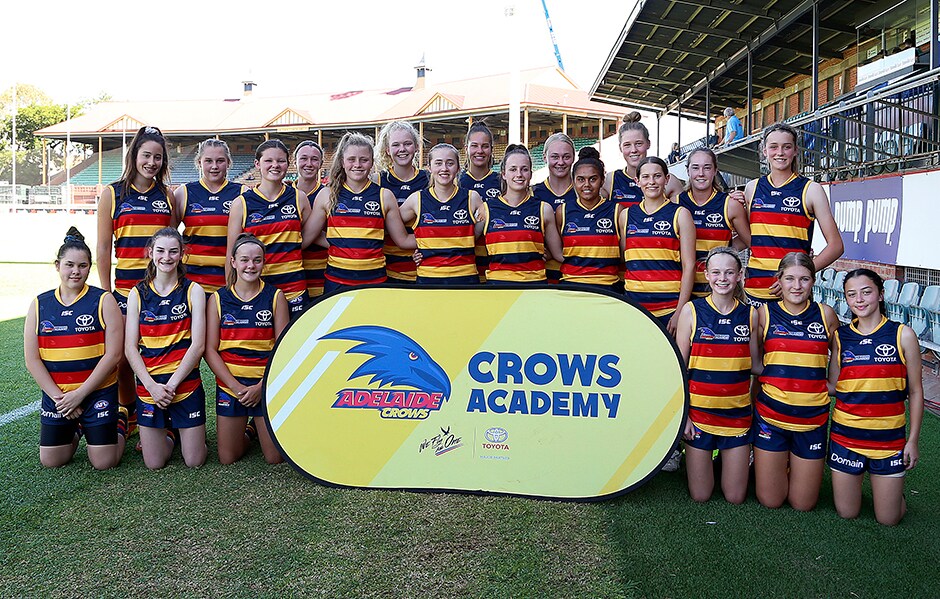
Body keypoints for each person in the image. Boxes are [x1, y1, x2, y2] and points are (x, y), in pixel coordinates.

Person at [828, 269, 923, 525]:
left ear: (880, 294)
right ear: (846, 299)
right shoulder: (840, 337)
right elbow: (834, 385)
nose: (859, 299)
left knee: (888, 519)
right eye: (852, 294)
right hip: (845, 439)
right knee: (848, 513)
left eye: (866, 292)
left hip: (889, 442)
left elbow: (915, 392)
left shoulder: (902, 334)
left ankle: (892, 495)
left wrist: (912, 441)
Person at [25, 228, 126, 469]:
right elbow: (32, 360)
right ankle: (80, 427)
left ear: (89, 268)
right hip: (58, 396)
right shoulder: (40, 303)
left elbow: (114, 355)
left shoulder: (103, 300)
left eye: (83, 266)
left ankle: (120, 418)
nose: (75, 271)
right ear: (57, 265)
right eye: (69, 265)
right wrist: (61, 399)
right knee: (52, 461)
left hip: (97, 392)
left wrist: (80, 395)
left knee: (104, 463)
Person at [96, 125, 173, 435]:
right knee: (123, 358)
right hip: (126, 290)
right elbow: (103, 247)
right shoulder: (112, 193)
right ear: (134, 156)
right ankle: (128, 413)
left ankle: (163, 413)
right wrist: (106, 294)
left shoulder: (167, 195)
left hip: (160, 291)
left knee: (160, 352)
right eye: (146, 155)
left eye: (157, 157)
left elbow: (172, 239)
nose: (151, 162)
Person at [754, 252, 838, 510]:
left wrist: (831, 385)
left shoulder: (826, 315)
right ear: (779, 280)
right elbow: (756, 363)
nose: (797, 286)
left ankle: (793, 464)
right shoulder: (764, 314)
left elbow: (838, 351)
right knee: (771, 501)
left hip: (812, 420)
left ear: (814, 281)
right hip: (771, 417)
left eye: (804, 279)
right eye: (789, 278)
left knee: (803, 504)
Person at [676, 247, 759, 503]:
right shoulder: (691, 311)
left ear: (739, 275)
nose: (722, 278)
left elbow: (755, 367)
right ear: (707, 275)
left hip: (737, 416)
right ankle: (704, 459)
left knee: (735, 497)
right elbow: (680, 370)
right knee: (700, 496)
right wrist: (684, 416)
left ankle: (731, 458)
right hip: (699, 415)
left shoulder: (751, 314)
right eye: (716, 272)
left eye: (729, 272)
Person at [124, 228, 207, 469]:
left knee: (194, 461)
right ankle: (171, 433)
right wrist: (152, 386)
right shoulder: (137, 293)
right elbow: (130, 348)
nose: (166, 257)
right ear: (150, 253)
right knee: (154, 464)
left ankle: (181, 430)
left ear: (182, 254)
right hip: (150, 387)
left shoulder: (194, 290)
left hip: (184, 385)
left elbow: (198, 344)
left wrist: (171, 386)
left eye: (173, 251)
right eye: (160, 251)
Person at [205, 233, 288, 465]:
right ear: (233, 262)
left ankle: (256, 425)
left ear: (264, 261)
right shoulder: (218, 299)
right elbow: (210, 350)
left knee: (274, 458)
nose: (251, 266)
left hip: (264, 386)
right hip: (233, 388)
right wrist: (237, 387)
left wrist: (261, 387)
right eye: (244, 260)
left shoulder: (275, 297)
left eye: (257, 260)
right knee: (227, 458)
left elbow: (283, 348)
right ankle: (250, 430)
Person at [744, 123, 843, 306]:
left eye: (786, 147)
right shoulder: (752, 188)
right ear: (764, 151)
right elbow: (748, 238)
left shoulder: (811, 190)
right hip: (754, 291)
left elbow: (836, 246)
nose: (779, 152)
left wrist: (797, 276)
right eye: (773, 147)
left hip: (793, 294)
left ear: (795, 150)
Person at [306, 132, 416, 293]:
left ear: (371, 163)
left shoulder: (384, 196)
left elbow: (403, 240)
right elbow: (308, 236)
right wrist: (340, 242)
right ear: (342, 162)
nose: (357, 164)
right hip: (336, 283)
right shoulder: (327, 195)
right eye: (351, 159)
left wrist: (447, 240)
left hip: (375, 283)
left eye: (364, 160)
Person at [226, 139, 309, 317]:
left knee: (295, 344)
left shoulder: (299, 198)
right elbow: (231, 253)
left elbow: (312, 236)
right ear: (257, 164)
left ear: (288, 164)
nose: (275, 165)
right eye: (269, 161)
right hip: (257, 291)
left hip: (294, 289)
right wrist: (230, 291)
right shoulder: (241, 203)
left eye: (281, 161)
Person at [619, 156, 696, 334]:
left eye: (657, 176)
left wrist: (679, 312)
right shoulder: (626, 216)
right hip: (635, 307)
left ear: (667, 179)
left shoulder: (680, 214)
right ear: (637, 181)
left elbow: (689, 266)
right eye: (645, 177)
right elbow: (627, 258)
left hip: (669, 308)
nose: (651, 182)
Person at [399, 143, 484, 285]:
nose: (444, 168)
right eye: (438, 163)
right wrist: (421, 244)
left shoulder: (472, 198)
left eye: (450, 163)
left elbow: (477, 235)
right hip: (428, 281)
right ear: (429, 168)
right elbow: (388, 225)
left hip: (466, 281)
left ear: (458, 168)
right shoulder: (416, 199)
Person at [480, 144, 563, 283]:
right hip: (498, 286)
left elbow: (558, 254)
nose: (519, 174)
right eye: (513, 169)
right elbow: (465, 245)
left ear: (530, 174)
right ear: (504, 174)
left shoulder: (544, 209)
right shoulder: (486, 209)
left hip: (534, 286)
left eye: (524, 169)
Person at [173, 139, 246, 295]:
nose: (214, 166)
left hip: (229, 282)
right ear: (199, 162)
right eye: (208, 161)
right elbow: (169, 237)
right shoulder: (184, 193)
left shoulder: (242, 193)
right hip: (191, 284)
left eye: (220, 161)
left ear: (228, 163)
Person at [677, 148, 751, 298]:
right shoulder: (675, 203)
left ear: (715, 170)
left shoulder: (730, 204)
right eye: (695, 167)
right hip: (681, 290)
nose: (701, 173)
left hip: (719, 290)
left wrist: (728, 249)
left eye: (707, 167)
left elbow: (750, 240)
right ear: (688, 170)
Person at [555, 147, 620, 291]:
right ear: (573, 181)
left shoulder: (617, 210)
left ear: (602, 180)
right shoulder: (563, 211)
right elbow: (558, 251)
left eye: (593, 179)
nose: (586, 185)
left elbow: (624, 253)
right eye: (580, 179)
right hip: (571, 285)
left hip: (608, 287)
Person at [377, 121, 429, 283]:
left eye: (407, 144)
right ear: (387, 150)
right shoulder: (377, 180)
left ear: (416, 147)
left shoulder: (429, 179)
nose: (402, 149)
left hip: (424, 266)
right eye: (396, 145)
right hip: (388, 270)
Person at [603, 112, 683, 208]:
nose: (633, 150)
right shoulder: (609, 181)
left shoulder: (669, 181)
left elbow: (680, 218)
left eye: (639, 143)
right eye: (627, 145)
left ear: (648, 144)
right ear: (620, 148)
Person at [460, 121, 501, 282]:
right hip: (464, 262)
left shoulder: (502, 181)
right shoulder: (456, 182)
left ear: (491, 149)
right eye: (474, 146)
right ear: (466, 149)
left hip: (496, 261)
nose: (479, 151)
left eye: (485, 146)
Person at [533, 133, 576, 284]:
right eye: (555, 157)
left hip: (576, 272)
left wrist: (553, 252)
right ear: (544, 157)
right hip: (543, 274)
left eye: (566, 157)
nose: (561, 162)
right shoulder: (533, 193)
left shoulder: (584, 192)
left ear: (574, 157)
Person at [292, 140, 329, 299]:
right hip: (291, 276)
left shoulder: (330, 195)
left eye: (314, 159)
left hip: (324, 275)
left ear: (321, 163)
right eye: (303, 158)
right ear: (294, 162)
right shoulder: (282, 195)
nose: (309, 163)